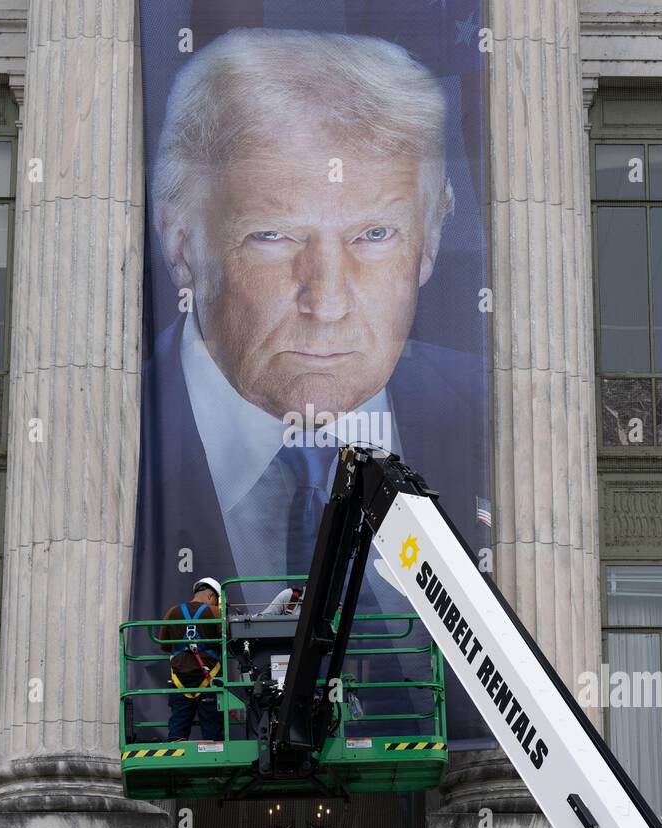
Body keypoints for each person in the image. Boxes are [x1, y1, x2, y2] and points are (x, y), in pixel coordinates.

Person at [133, 27, 489, 619]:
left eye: (374, 235)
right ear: (181, 243)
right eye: (272, 235)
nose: (326, 302)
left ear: (429, 242)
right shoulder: (110, 430)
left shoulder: (498, 412)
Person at [160, 577, 225, 742]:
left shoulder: (172, 612)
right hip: (208, 679)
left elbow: (164, 644)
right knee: (213, 729)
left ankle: (175, 758)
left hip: (180, 679)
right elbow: (227, 640)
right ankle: (214, 762)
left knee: (178, 726)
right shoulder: (215, 613)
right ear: (211, 596)